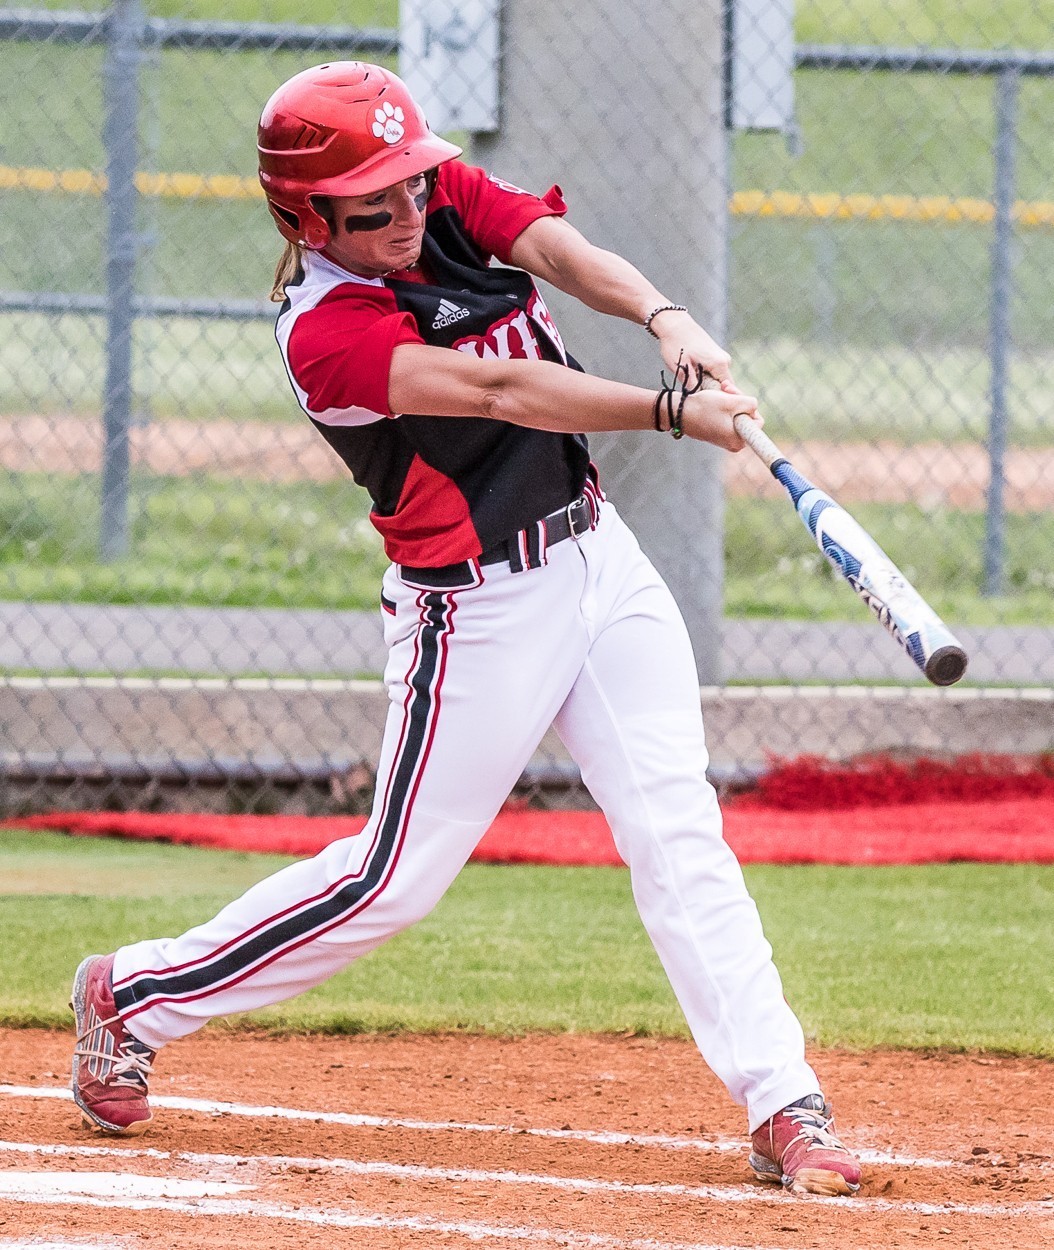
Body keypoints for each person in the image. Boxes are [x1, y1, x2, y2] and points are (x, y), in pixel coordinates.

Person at [70, 61, 861, 1198]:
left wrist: (663, 314)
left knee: (677, 829)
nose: (405, 211)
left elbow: (546, 245)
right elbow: (502, 396)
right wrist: (670, 410)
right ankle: (131, 993)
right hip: (475, 605)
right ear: (305, 215)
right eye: (370, 202)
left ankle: (782, 1097)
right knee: (391, 880)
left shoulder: (425, 190)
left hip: (598, 559)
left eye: (408, 185)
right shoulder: (327, 333)